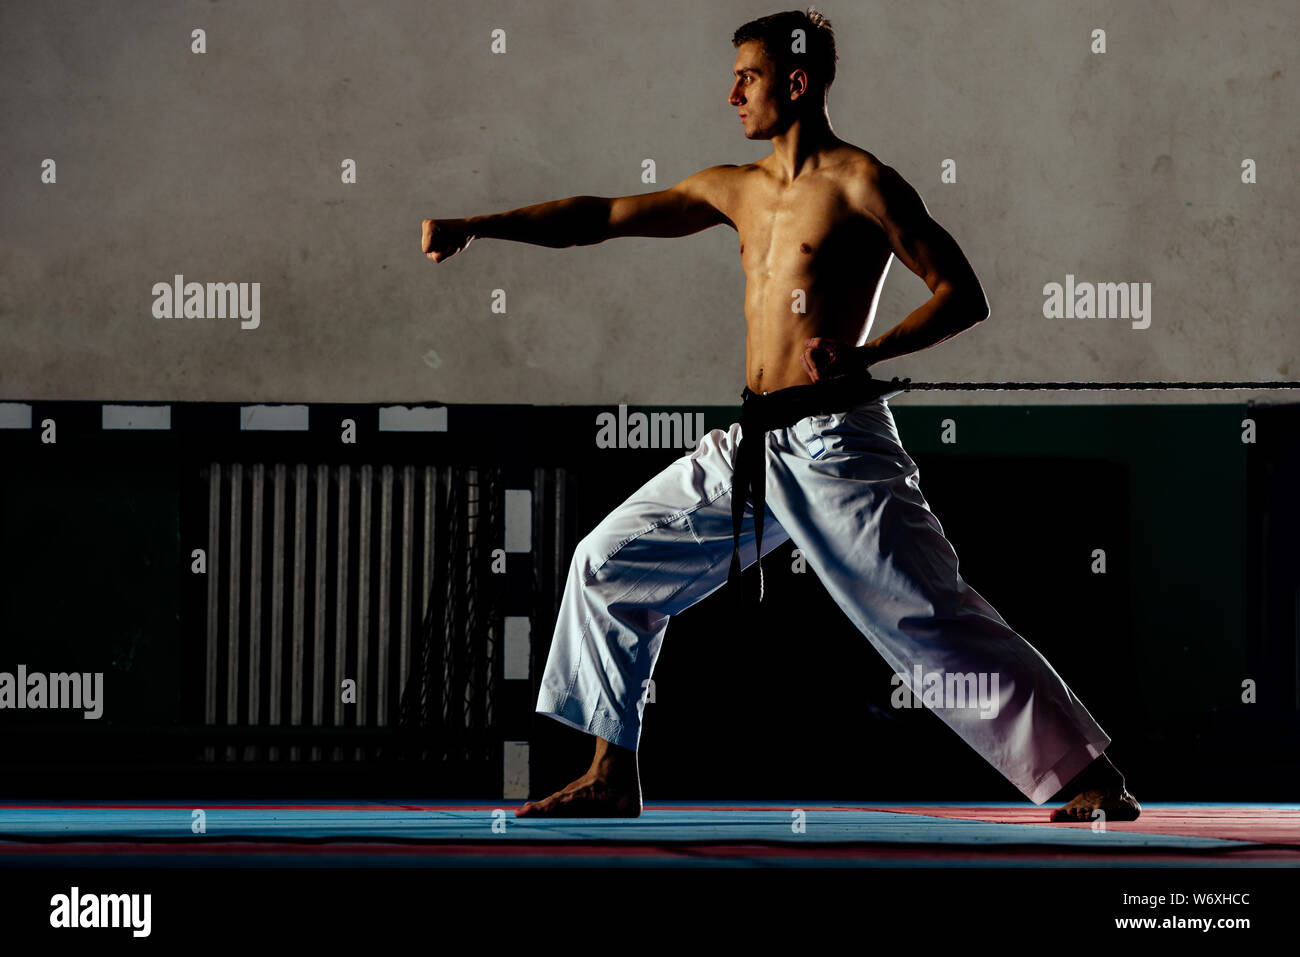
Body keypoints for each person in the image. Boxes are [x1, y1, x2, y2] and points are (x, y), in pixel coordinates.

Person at [421, 8, 1139, 824]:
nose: (732, 93)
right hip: (755, 443)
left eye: (748, 77)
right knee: (606, 562)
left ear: (796, 82)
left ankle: (1091, 773)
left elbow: (962, 294)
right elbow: (602, 217)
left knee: (927, 614)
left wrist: (867, 355)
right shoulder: (737, 188)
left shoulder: (862, 182)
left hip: (838, 441)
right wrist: (480, 227)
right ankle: (610, 772)